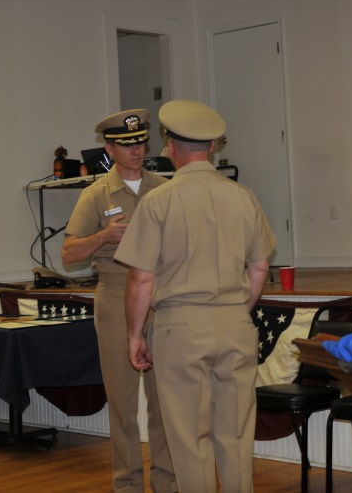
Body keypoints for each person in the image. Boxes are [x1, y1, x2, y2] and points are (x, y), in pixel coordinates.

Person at [115, 99, 276, 493]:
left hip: (181, 329)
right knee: (236, 439)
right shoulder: (245, 197)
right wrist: (236, 310)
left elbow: (140, 279)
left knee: (190, 441)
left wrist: (135, 335)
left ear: (170, 146)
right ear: (211, 147)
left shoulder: (159, 200)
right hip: (236, 324)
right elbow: (259, 269)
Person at [60, 109, 176, 493]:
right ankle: (126, 485)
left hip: (161, 296)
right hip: (114, 296)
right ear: (109, 148)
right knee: (124, 404)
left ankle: (167, 482)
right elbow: (69, 253)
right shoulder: (96, 194)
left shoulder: (165, 187)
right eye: (127, 145)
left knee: (165, 402)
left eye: (140, 142)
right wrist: (103, 237)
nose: (137, 151)